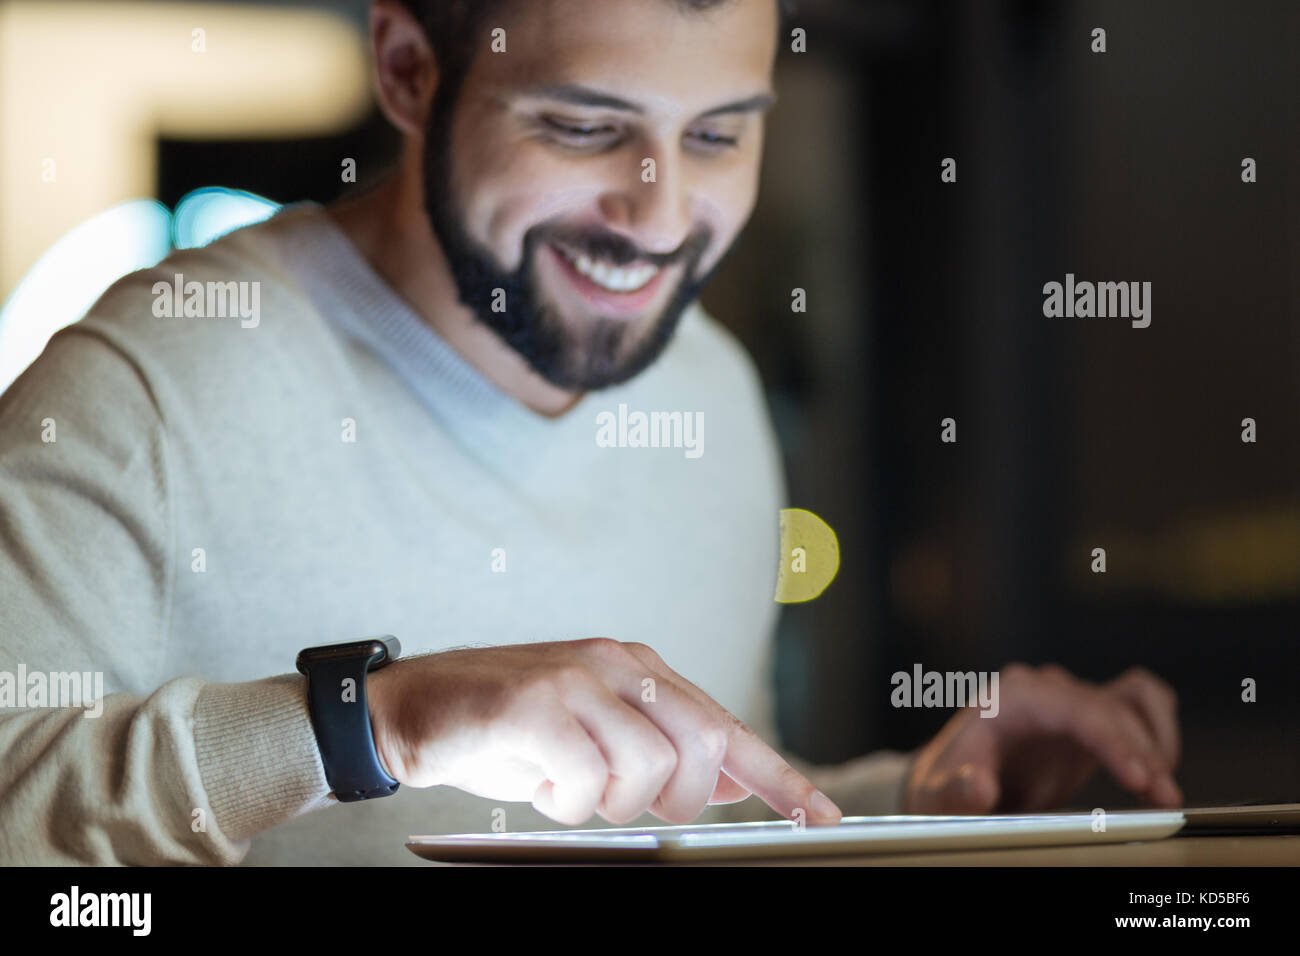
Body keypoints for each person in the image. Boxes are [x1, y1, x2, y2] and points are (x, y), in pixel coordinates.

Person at [0, 0, 1181, 866]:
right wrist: (377, 722)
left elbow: (692, 810)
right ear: (408, 71)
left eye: (717, 136)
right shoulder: (143, 385)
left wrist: (924, 800)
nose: (659, 217)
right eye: (580, 126)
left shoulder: (708, 391)